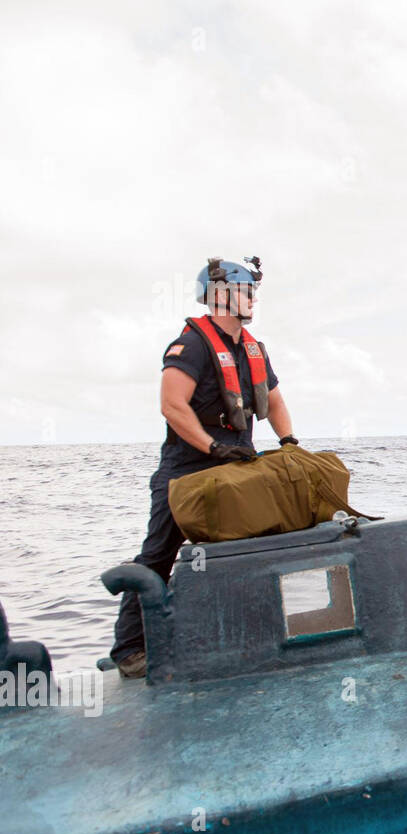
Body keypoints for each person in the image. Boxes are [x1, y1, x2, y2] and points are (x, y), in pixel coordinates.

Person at [109, 257, 300, 677]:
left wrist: (289, 443)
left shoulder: (254, 349)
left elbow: (277, 401)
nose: (252, 298)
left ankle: (228, 636)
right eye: (245, 289)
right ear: (219, 294)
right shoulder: (191, 345)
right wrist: (212, 447)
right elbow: (172, 405)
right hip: (187, 469)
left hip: (236, 467)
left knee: (236, 550)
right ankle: (129, 649)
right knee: (158, 552)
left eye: (254, 290)